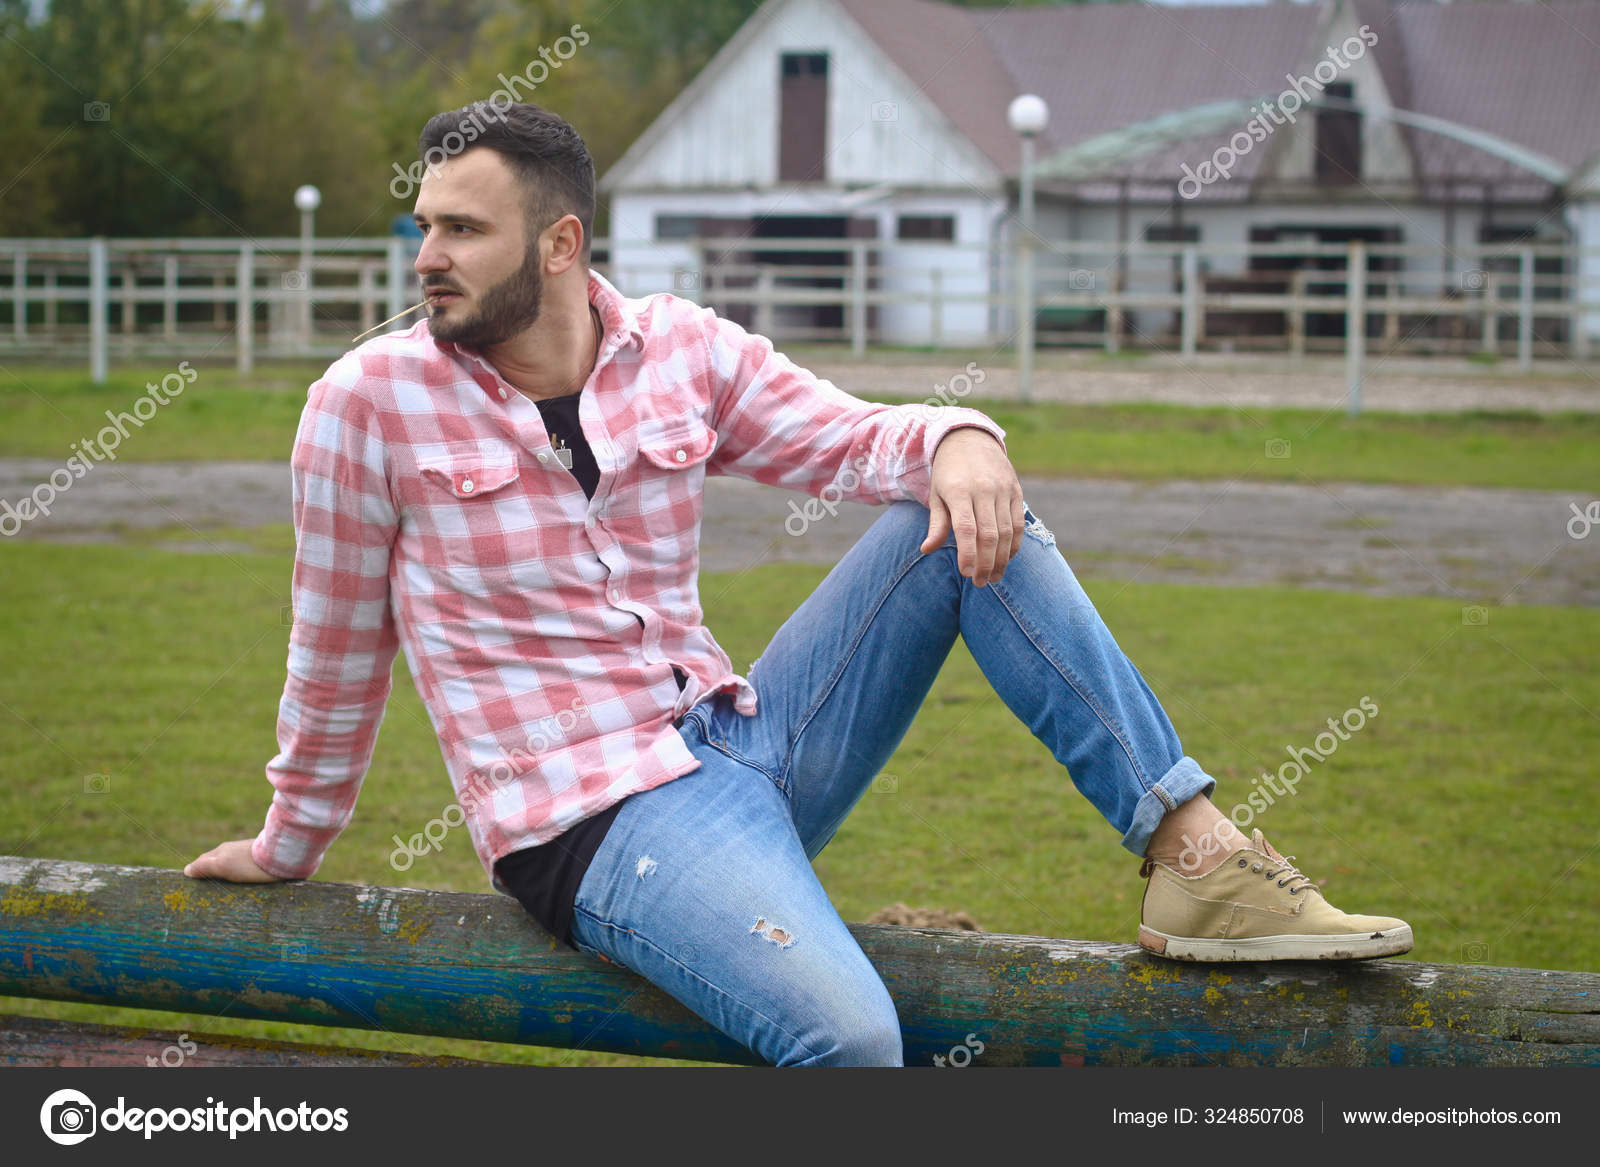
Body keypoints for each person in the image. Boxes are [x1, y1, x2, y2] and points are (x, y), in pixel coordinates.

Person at [184, 101, 1412, 1066]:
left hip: (745, 742)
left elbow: (850, 438)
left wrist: (957, 435)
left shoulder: (679, 350)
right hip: (599, 825)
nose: (427, 257)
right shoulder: (366, 402)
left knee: (971, 512)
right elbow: (335, 643)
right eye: (424, 226)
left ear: (560, 245)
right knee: (851, 1040)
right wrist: (292, 841)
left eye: (461, 229)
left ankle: (1196, 856)